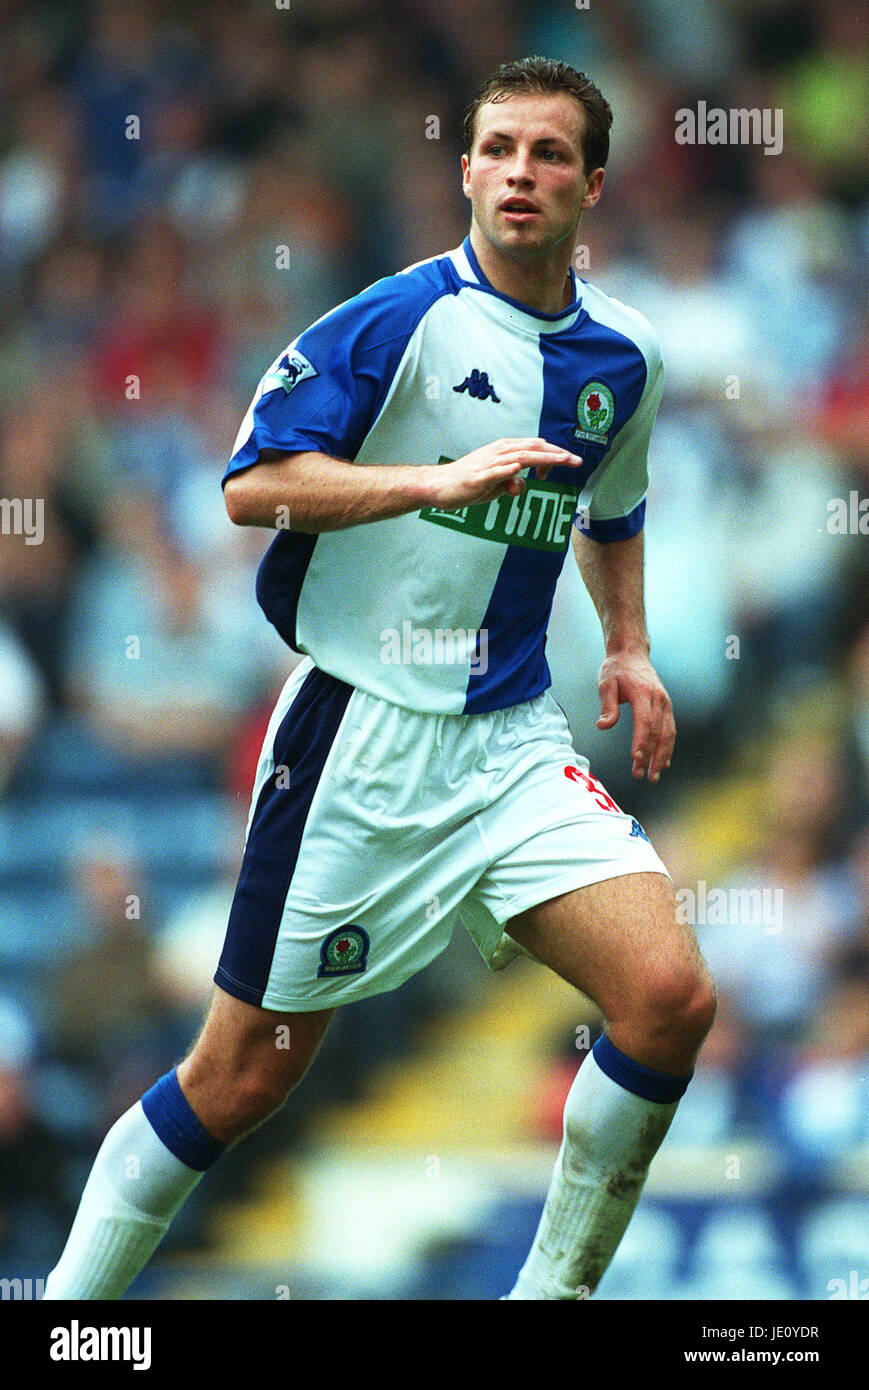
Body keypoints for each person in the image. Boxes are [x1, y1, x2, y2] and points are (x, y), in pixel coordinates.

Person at [44, 56, 716, 1302]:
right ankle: (71, 1315)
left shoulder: (625, 353)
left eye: (548, 153)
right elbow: (251, 487)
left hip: (510, 739)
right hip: (357, 735)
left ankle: (551, 1295)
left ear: (592, 184)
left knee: (668, 995)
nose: (520, 172)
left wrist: (624, 641)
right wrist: (428, 481)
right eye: (499, 148)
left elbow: (609, 502)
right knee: (240, 1074)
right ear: (463, 169)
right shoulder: (393, 322)